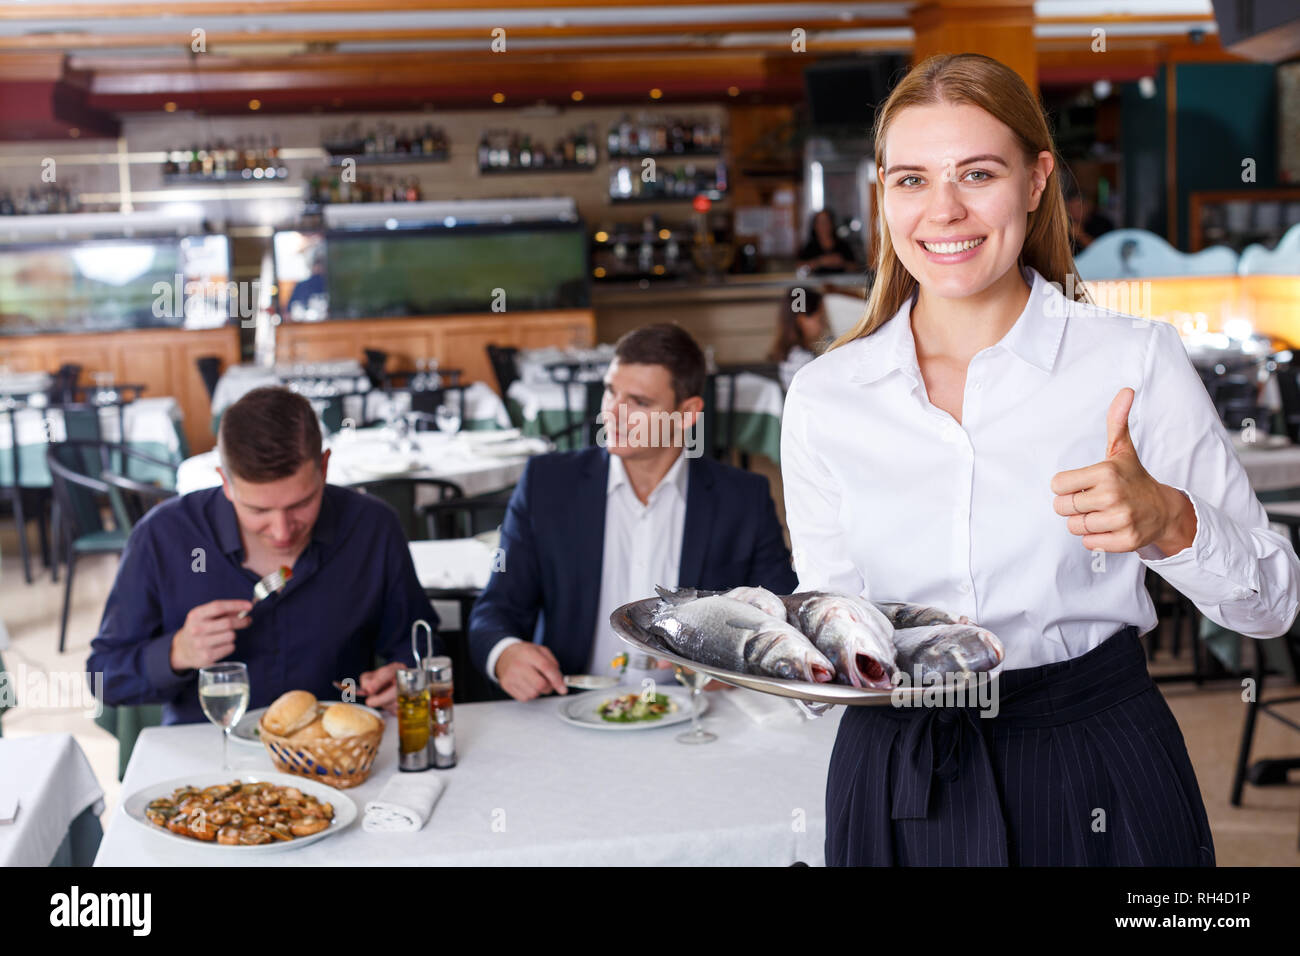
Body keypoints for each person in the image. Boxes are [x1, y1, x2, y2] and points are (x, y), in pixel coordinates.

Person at [781, 52, 1300, 866]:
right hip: (896, 771)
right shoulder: (825, 396)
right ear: (884, 195)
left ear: (1036, 179)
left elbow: (1272, 606)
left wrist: (1169, 519)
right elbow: (836, 626)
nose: (943, 211)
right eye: (911, 180)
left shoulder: (1133, 362)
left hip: (1092, 755)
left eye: (977, 173)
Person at [469, 323, 798, 701]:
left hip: (698, 717)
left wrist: (736, 667)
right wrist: (504, 653)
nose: (614, 413)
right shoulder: (547, 485)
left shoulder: (742, 499)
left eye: (640, 402)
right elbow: (495, 608)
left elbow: (780, 619)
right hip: (572, 710)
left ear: (687, 413)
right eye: (611, 392)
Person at [87, 386, 440, 724]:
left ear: (325, 467)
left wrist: (406, 677)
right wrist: (176, 653)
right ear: (225, 482)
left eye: (301, 504)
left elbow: (418, 643)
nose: (282, 531)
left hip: (335, 752)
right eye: (258, 510)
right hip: (204, 755)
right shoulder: (165, 536)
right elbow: (102, 677)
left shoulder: (372, 527)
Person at [767, 286, 830, 391]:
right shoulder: (802, 360)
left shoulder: (792, 355)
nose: (824, 324)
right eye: (820, 318)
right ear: (801, 320)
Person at [1063, 177, 1115, 255]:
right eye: (1070, 208)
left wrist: (1080, 235)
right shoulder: (1063, 223)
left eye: (1078, 207)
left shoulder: (1103, 223)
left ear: (1089, 206)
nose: (1073, 212)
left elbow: (1106, 252)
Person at [798, 209, 859, 275]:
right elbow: (799, 268)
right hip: (816, 284)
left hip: (842, 283)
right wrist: (820, 262)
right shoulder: (810, 247)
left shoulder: (843, 245)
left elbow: (855, 268)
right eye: (820, 223)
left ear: (832, 224)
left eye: (826, 222)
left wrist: (842, 263)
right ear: (814, 226)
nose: (824, 226)